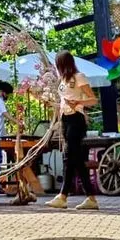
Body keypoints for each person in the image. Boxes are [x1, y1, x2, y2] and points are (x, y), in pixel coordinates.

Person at [48, 50, 99, 210]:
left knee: (69, 156)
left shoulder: (79, 77)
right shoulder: (63, 80)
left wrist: (76, 102)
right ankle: (90, 198)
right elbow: (64, 101)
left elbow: (93, 100)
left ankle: (63, 196)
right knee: (74, 159)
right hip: (65, 119)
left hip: (76, 119)